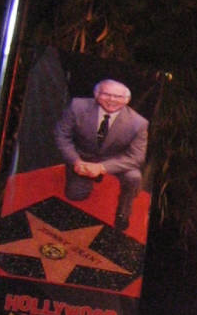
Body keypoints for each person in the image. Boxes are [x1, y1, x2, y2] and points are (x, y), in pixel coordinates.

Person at [54, 78, 148, 232]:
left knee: (134, 176)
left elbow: (137, 157)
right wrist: (75, 161)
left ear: (127, 100)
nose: (112, 100)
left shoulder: (139, 123)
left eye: (118, 97)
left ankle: (123, 213)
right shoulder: (77, 106)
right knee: (75, 195)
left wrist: (102, 168)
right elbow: (61, 136)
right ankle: (85, 178)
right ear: (96, 94)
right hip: (83, 158)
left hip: (114, 160)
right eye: (106, 94)